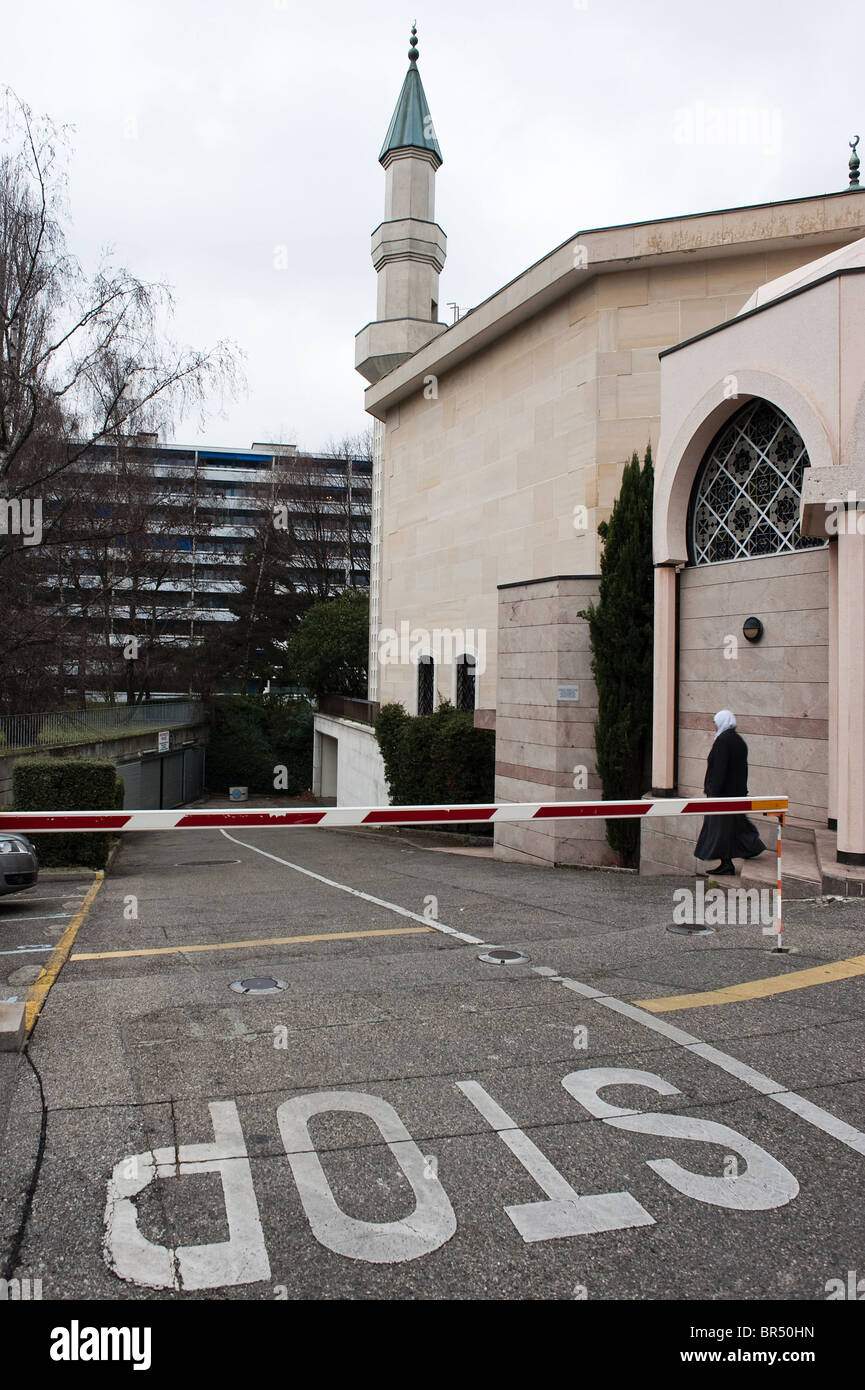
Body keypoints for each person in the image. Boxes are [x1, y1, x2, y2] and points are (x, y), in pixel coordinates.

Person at [694, 709, 766, 875]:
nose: (713, 725)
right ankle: (752, 847)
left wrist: (714, 791)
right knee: (736, 826)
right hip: (736, 793)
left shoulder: (723, 741)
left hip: (723, 795)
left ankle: (727, 863)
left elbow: (720, 768)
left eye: (715, 722)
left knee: (720, 831)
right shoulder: (738, 740)